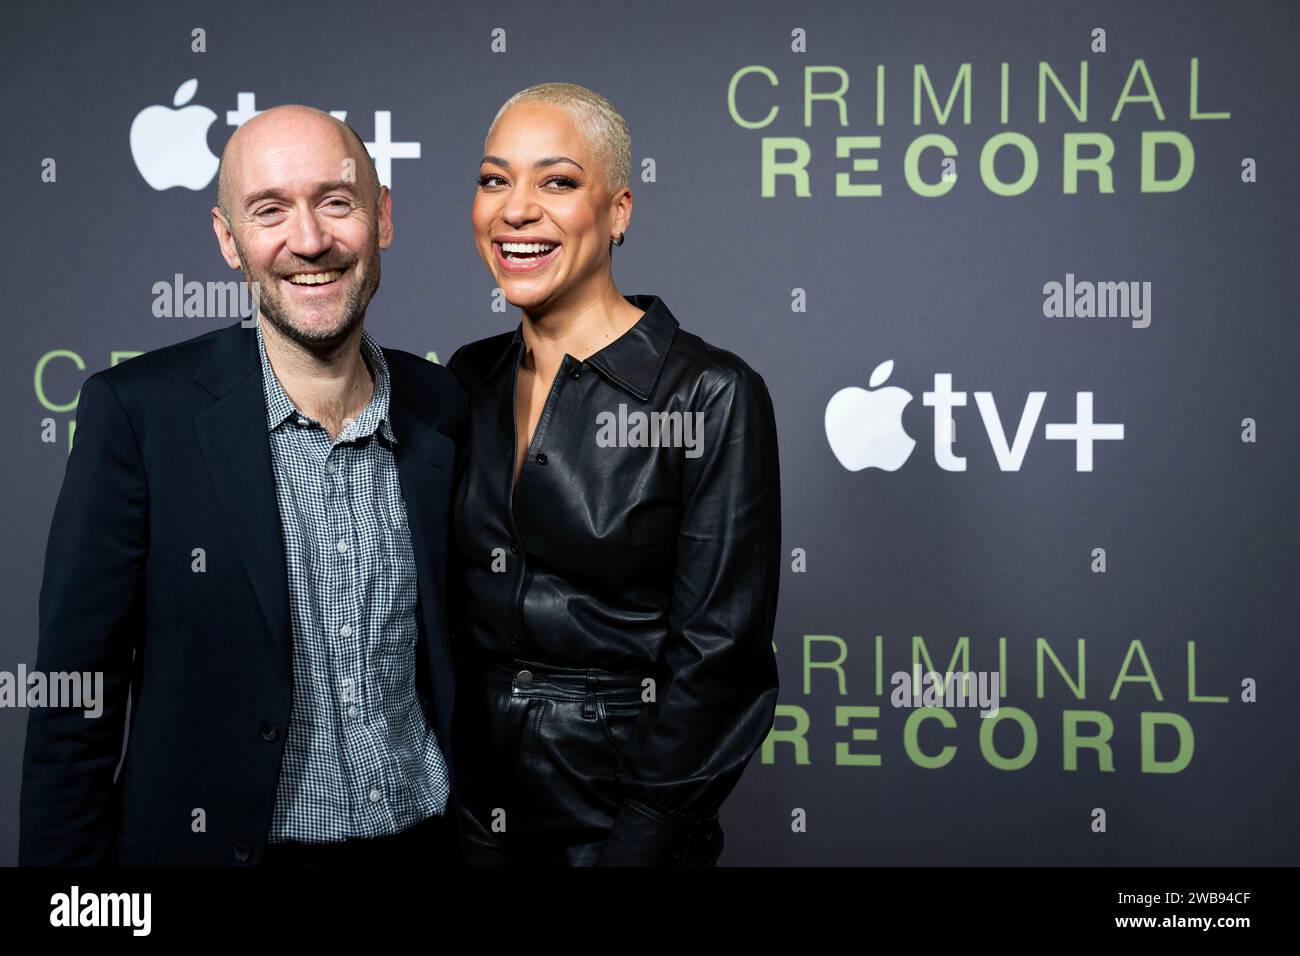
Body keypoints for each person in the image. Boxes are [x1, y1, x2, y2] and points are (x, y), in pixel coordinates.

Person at [19, 105, 467, 866]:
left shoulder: (444, 406)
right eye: (269, 211)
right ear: (229, 241)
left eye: (336, 201)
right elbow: (74, 703)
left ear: (382, 217)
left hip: (427, 848)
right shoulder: (139, 415)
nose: (310, 240)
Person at [447, 83, 781, 866]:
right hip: (463, 823)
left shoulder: (709, 393)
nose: (516, 209)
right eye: (495, 179)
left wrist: (638, 847)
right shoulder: (466, 380)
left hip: (620, 830)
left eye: (556, 181)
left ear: (619, 211)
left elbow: (720, 663)